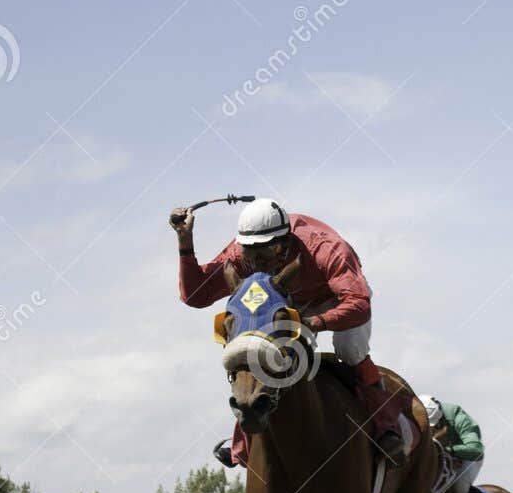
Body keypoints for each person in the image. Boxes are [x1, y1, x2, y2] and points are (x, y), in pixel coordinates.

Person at [170, 197, 408, 466]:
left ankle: (385, 425)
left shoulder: (326, 248)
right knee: (257, 346)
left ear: (284, 242)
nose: (257, 263)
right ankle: (246, 435)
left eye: (265, 255)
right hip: (287, 300)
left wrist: (316, 322)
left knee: (350, 349)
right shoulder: (241, 254)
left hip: (336, 297)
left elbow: (359, 304)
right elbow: (195, 296)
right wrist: (184, 242)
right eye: (250, 254)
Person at [420, 394, 510, 493]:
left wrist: (450, 451)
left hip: (466, 456)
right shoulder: (416, 415)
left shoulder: (456, 415)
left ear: (440, 418)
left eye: (434, 427)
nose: (432, 431)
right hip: (438, 456)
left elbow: (475, 448)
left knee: (460, 488)